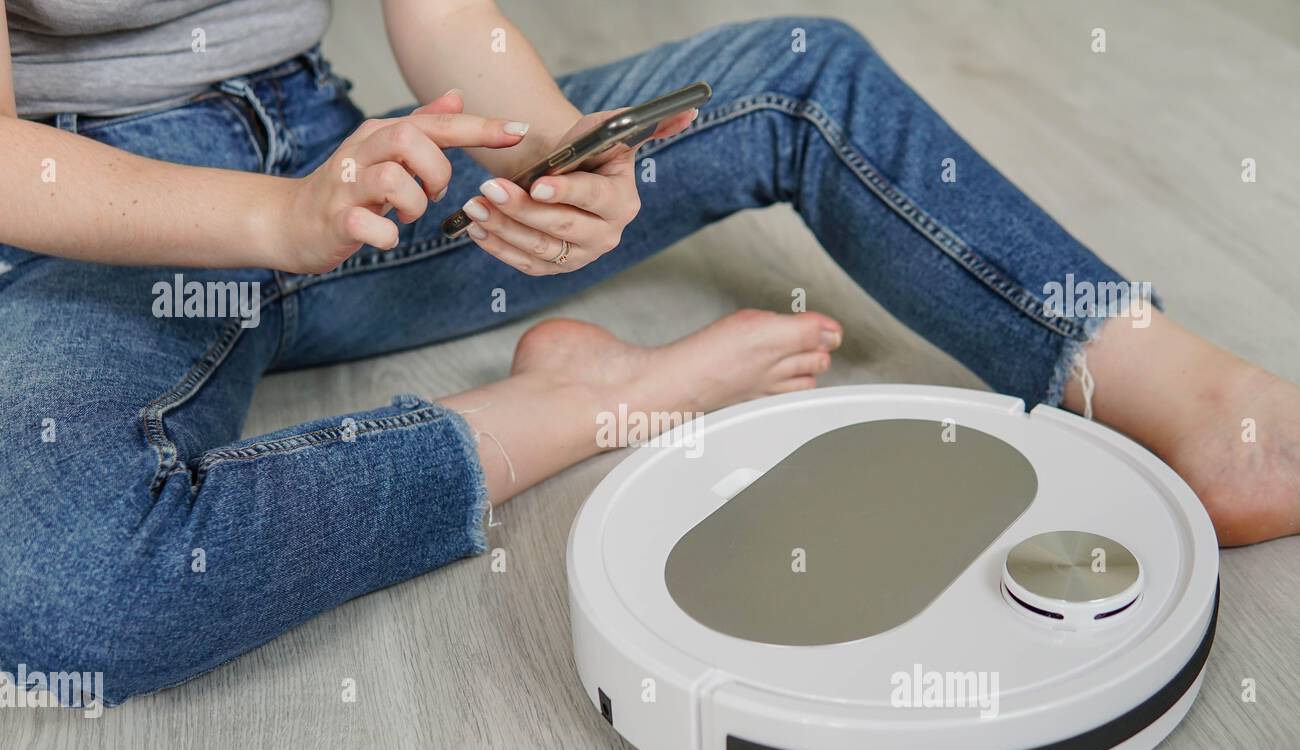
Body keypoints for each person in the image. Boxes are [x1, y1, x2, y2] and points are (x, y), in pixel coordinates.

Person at [1, 0, 1295, 705]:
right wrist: (264, 220)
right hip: (85, 226)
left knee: (800, 68)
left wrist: (572, 156)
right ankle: (569, 411)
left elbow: (447, 17)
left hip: (345, 169)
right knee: (73, 597)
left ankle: (1151, 371)